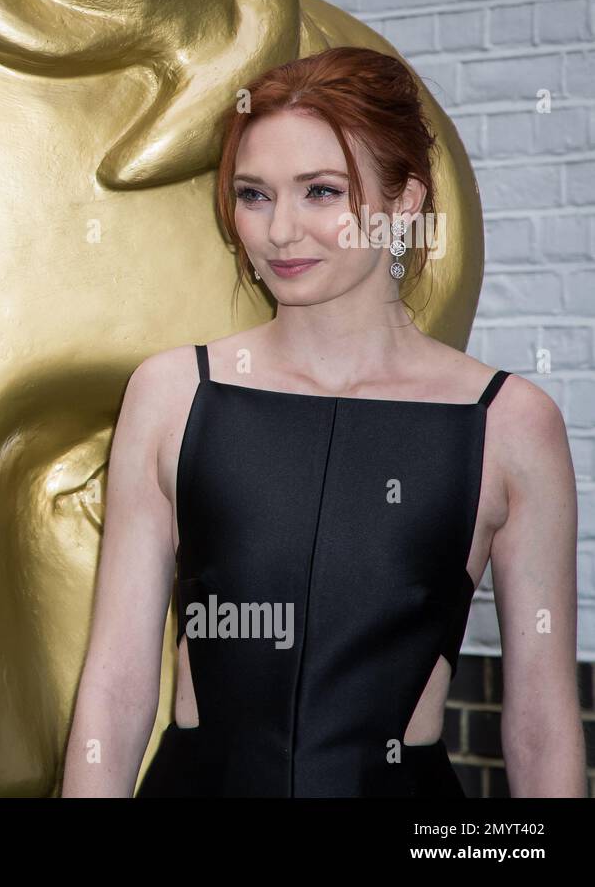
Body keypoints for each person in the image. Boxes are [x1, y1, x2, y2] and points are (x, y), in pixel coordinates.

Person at [61, 47, 586, 797]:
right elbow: (114, 691)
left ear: (405, 201)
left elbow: (539, 724)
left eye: (320, 192)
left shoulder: (508, 423)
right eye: (253, 194)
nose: (280, 231)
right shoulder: (173, 394)